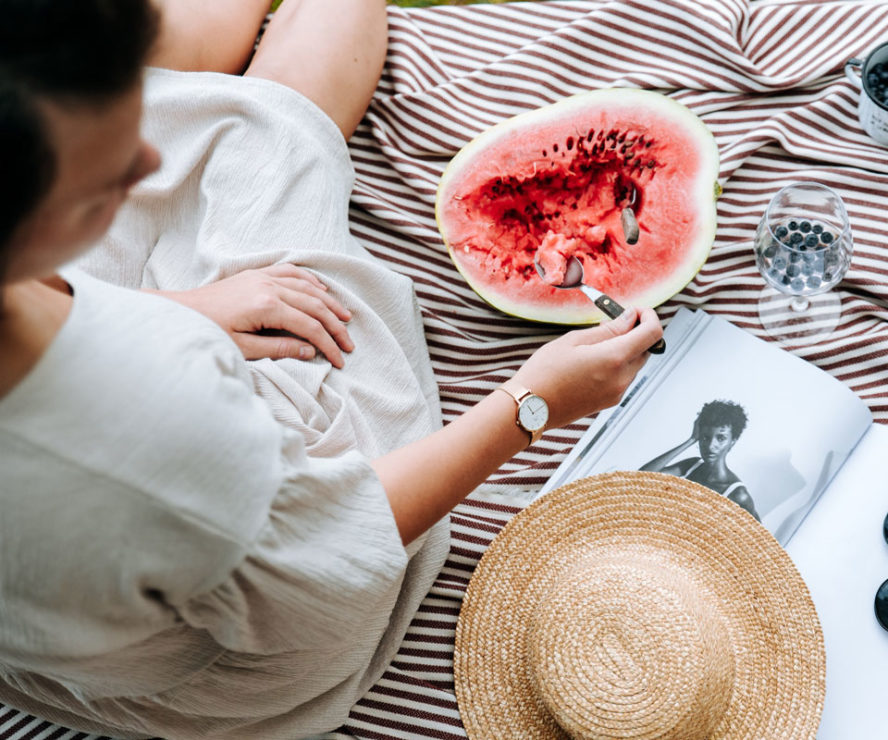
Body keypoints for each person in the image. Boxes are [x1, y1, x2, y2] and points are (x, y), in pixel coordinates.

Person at [0, 1, 663, 739]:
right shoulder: (162, 436)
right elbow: (337, 553)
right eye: (112, 165)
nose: (144, 158)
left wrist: (184, 306)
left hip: (67, 630)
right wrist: (532, 402)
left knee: (187, 110)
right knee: (265, 125)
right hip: (247, 644)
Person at [640, 400, 759, 520]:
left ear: (732, 441)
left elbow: (758, 535)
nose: (710, 446)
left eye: (721, 438)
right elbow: (641, 477)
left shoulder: (737, 494)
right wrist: (691, 440)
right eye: (705, 437)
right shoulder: (692, 466)